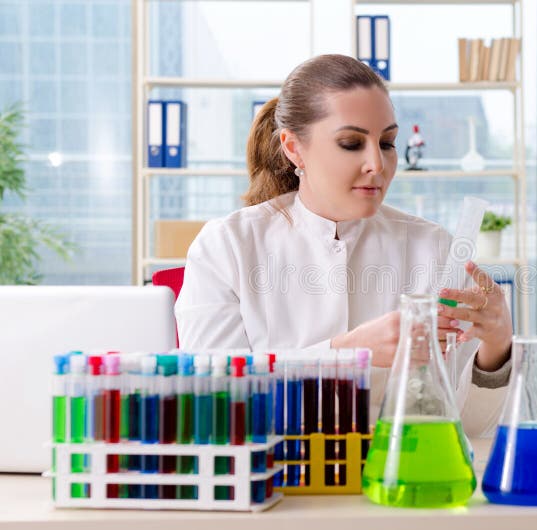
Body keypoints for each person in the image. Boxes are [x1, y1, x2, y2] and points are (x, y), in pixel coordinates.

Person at [175, 54, 513, 436]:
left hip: (396, 483)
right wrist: (344, 354)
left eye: (387, 142)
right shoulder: (227, 246)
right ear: (293, 147)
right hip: (274, 485)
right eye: (351, 143)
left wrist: (496, 350)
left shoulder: (433, 248)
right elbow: (211, 402)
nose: (377, 164)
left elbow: (469, 429)